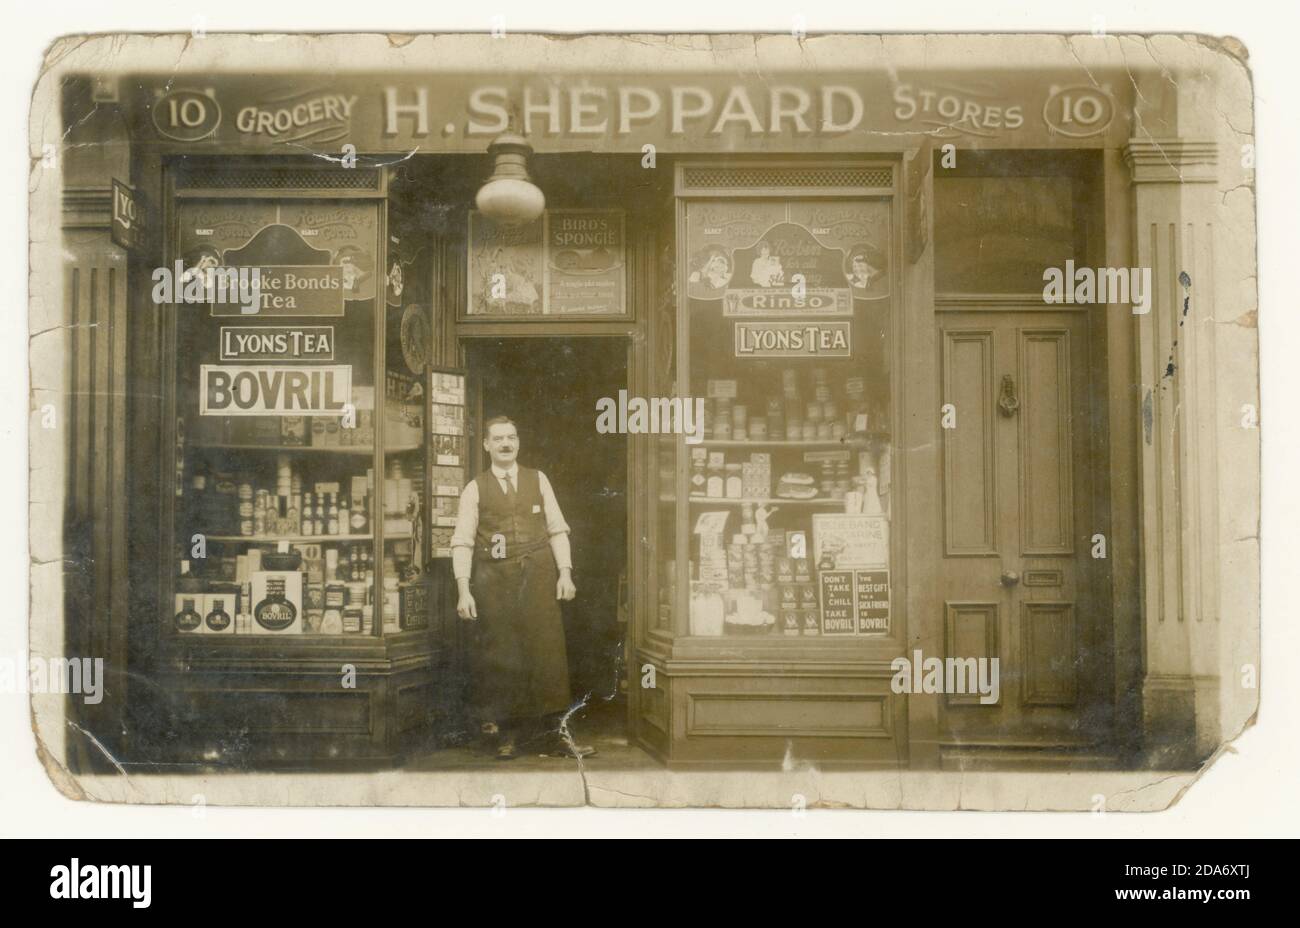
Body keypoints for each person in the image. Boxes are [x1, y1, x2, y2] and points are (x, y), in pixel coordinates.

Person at [450, 416, 596, 760]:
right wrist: (463, 589)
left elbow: (557, 529)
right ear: (486, 444)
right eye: (498, 438)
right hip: (494, 583)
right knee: (504, 656)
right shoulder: (475, 488)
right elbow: (462, 542)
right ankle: (508, 735)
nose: (505, 444)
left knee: (549, 654)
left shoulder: (538, 480)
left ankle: (556, 735)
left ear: (518, 442)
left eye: (511, 437)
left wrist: (565, 573)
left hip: (539, 579)